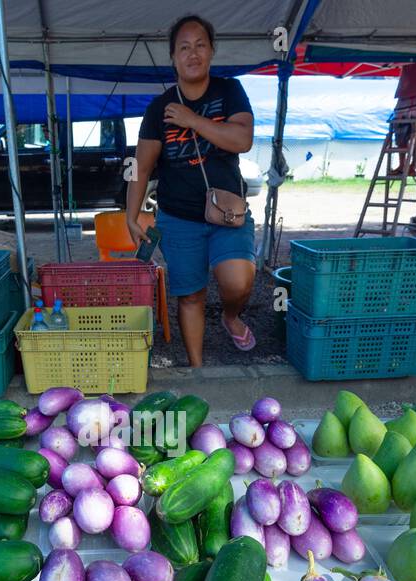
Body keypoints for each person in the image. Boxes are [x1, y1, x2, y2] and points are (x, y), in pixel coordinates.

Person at [126, 14, 256, 366]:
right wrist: (131, 214)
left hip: (227, 212)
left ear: (212, 51)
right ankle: (198, 371)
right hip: (178, 216)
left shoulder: (229, 91)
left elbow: (242, 139)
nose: (193, 53)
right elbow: (141, 165)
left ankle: (231, 317)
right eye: (184, 47)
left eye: (200, 45)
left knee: (238, 280)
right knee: (190, 296)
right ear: (173, 57)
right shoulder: (158, 109)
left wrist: (192, 120)